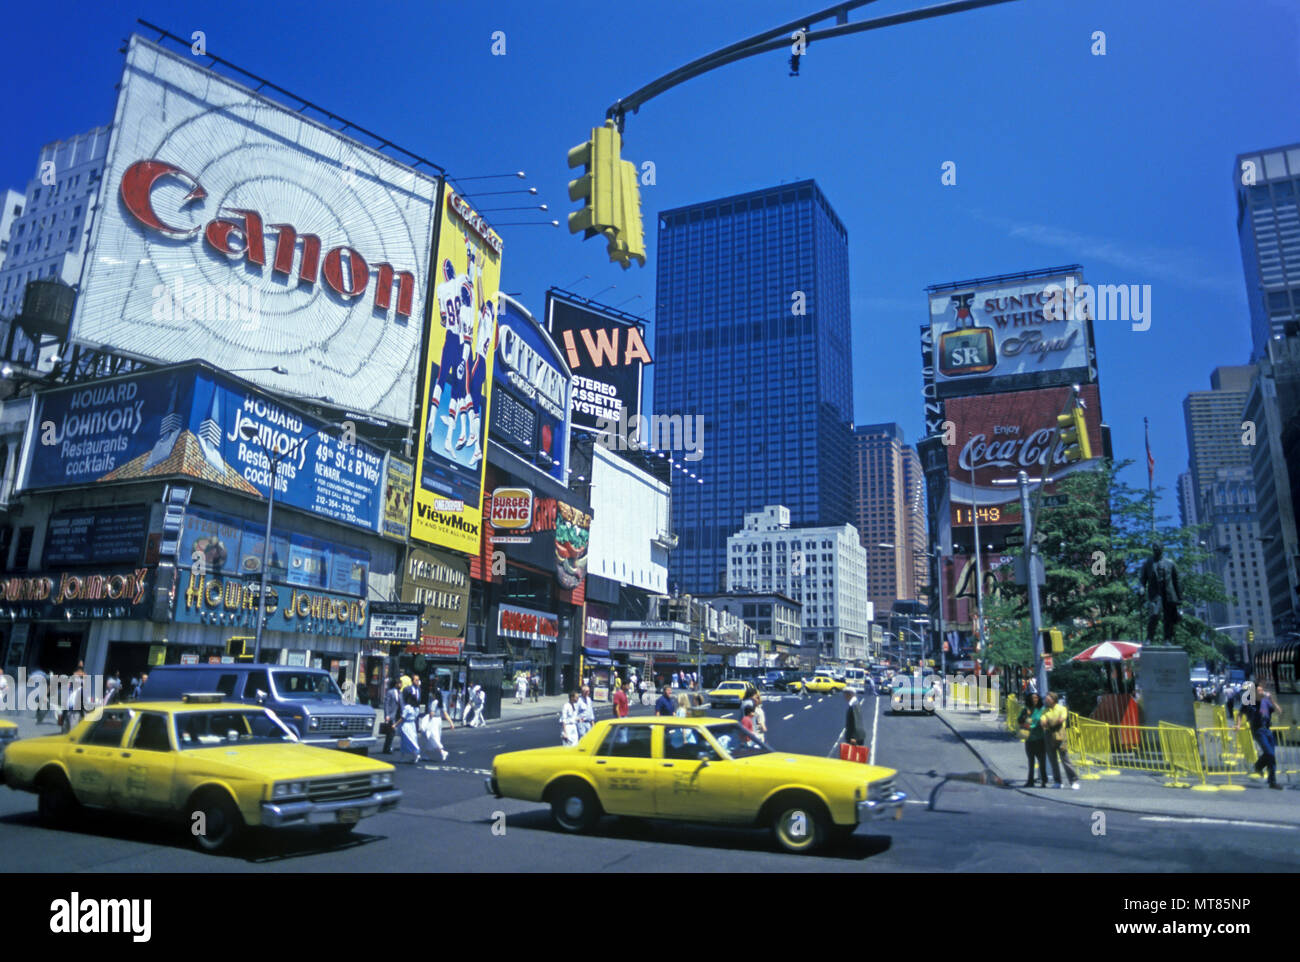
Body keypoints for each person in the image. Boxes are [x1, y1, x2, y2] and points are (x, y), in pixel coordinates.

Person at [1238, 684, 1283, 789]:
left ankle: (1272, 781)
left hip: (1267, 730)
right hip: (1258, 730)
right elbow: (1240, 713)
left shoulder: (1266, 701)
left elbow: (1279, 711)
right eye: (1258, 691)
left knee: (1271, 757)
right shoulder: (1249, 702)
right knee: (1269, 753)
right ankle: (1258, 766)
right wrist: (1238, 724)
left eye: (1262, 690)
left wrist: (1272, 700)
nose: (1261, 692)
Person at [1042, 692, 1079, 789]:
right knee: (1053, 760)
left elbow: (1061, 720)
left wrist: (1049, 723)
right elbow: (1043, 723)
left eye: (1048, 699)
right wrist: (1052, 722)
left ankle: (1073, 781)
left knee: (1065, 759)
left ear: (1053, 699)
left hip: (1060, 735)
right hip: (1049, 736)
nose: (1046, 700)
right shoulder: (1045, 710)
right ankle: (1058, 781)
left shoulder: (1062, 709)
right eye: (1046, 699)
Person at [1018, 693, 1048, 787]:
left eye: (1036, 698)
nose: (1034, 700)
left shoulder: (1042, 710)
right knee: (1031, 761)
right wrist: (1024, 717)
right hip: (1029, 739)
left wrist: (1037, 725)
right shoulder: (1026, 710)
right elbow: (1019, 720)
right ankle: (1030, 781)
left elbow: (1045, 721)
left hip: (1040, 738)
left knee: (1042, 761)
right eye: (1032, 698)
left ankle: (1044, 781)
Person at [420, 683, 455, 762]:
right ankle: (426, 755)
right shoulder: (441, 702)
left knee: (432, 737)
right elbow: (445, 714)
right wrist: (451, 723)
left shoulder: (434, 702)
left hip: (433, 721)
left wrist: (425, 719)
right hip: (439, 720)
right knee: (433, 737)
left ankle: (442, 752)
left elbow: (431, 714)